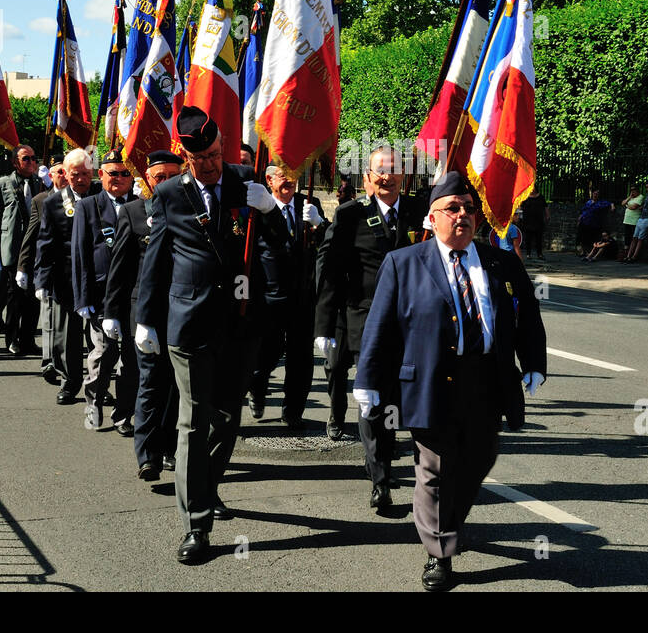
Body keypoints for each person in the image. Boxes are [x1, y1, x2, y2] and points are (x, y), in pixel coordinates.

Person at [356, 171, 547, 592]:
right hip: (430, 380)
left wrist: (533, 361)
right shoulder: (404, 263)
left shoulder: (500, 261)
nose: (462, 216)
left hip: (486, 380)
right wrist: (368, 379)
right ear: (432, 218)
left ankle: (446, 522)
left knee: (479, 460)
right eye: (452, 209)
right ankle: (439, 552)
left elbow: (527, 315)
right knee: (436, 468)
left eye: (468, 209)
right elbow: (380, 326)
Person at [134, 106, 286, 564]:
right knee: (193, 423)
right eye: (203, 159)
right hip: (190, 325)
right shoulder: (170, 195)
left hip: (240, 323)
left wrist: (271, 209)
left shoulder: (245, 180)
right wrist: (145, 319)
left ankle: (205, 484)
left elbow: (275, 244)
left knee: (227, 420)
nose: (214, 164)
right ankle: (196, 525)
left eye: (218, 154)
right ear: (186, 155)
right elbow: (155, 261)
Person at [314, 146, 429, 496]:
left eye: (394, 170)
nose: (386, 177)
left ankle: (381, 459)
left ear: (402, 177)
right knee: (372, 398)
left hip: (411, 324)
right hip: (365, 321)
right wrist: (323, 327)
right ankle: (380, 479)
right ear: (367, 178)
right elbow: (331, 272)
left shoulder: (419, 213)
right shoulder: (351, 216)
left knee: (397, 398)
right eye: (379, 171)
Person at [105, 150, 185, 481]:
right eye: (159, 177)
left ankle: (168, 447)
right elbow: (120, 267)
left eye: (172, 176)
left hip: (181, 310)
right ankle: (147, 455)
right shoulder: (133, 212)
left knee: (176, 386)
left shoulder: (191, 209)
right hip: (145, 312)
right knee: (150, 382)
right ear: (148, 180)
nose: (165, 183)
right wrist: (112, 313)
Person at [249, 164, 326, 429]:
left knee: (301, 359)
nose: (289, 180)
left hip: (303, 297)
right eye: (283, 175)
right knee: (266, 353)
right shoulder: (259, 207)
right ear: (269, 180)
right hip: (270, 298)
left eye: (293, 175)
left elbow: (327, 244)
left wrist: (319, 224)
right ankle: (257, 387)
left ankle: (293, 411)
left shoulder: (310, 203)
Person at [71, 149, 138, 434]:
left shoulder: (139, 205)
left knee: (132, 361)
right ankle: (94, 401)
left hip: (133, 295)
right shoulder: (89, 206)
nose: (120, 179)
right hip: (100, 295)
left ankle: (123, 415)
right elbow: (80, 254)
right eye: (114, 173)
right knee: (103, 353)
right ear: (102, 175)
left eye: (125, 174)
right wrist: (82, 298)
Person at [34, 149, 97, 404]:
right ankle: (70, 381)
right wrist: (41, 279)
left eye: (85, 174)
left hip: (96, 276)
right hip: (66, 277)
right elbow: (45, 243)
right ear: (66, 175)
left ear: (92, 173)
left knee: (97, 336)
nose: (80, 179)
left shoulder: (101, 197)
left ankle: (97, 384)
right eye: (74, 175)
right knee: (67, 335)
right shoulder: (53, 202)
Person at [0, 144, 41, 356]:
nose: (32, 162)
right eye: (26, 159)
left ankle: (28, 339)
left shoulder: (39, 183)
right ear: (15, 162)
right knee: (15, 299)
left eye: (34, 158)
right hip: (12, 250)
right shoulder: (2, 184)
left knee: (33, 300)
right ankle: (12, 338)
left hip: (35, 249)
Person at [18, 159, 67, 387]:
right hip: (49, 267)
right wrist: (22, 267)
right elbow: (32, 235)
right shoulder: (41, 200)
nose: (64, 176)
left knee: (69, 324)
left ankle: (67, 362)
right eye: (59, 171)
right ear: (51, 175)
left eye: (68, 171)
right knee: (48, 317)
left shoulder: (86, 199)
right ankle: (49, 361)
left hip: (73, 269)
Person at [621, 181, 648, 264]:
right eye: (646, 187)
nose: (647, 189)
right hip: (641, 218)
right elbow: (642, 206)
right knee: (634, 238)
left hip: (647, 218)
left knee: (640, 239)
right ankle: (628, 256)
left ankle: (634, 257)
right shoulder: (647, 196)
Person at [576, 188, 612, 256]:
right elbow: (583, 211)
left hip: (593, 223)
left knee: (590, 238)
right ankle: (583, 252)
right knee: (581, 237)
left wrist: (612, 206)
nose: (595, 195)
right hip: (584, 221)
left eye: (597, 194)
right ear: (592, 194)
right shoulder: (588, 202)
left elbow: (610, 203)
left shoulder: (601, 202)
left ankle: (589, 253)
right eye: (594, 193)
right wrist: (579, 219)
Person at [520, 190, 548, 259]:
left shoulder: (541, 197)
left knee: (539, 238)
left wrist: (547, 215)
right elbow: (520, 206)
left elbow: (545, 207)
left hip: (538, 221)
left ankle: (539, 254)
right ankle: (528, 254)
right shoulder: (525, 197)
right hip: (527, 221)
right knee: (528, 239)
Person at [620, 185, 644, 254]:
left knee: (633, 237)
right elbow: (622, 203)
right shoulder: (630, 197)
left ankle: (631, 253)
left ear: (638, 191)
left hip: (634, 221)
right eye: (631, 191)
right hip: (627, 220)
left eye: (634, 190)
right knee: (627, 237)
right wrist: (629, 197)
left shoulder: (641, 197)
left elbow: (634, 207)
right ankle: (626, 253)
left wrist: (627, 205)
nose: (632, 192)